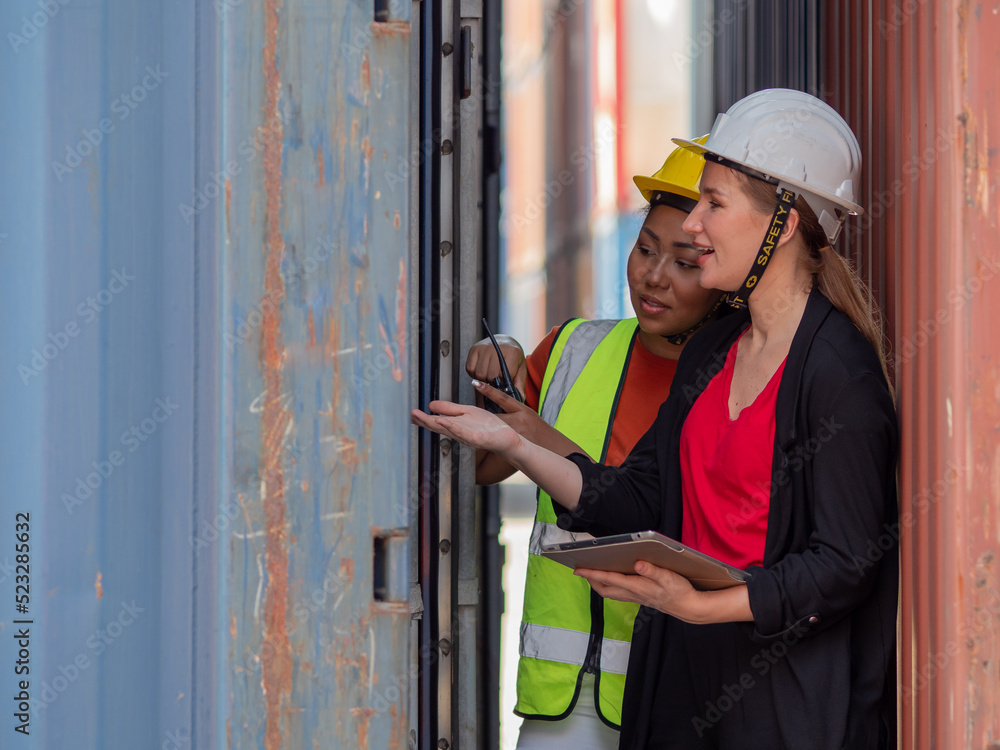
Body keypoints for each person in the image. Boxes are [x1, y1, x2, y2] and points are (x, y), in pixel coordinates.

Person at [413, 89, 898, 749]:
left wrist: (700, 605)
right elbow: (643, 493)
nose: (693, 225)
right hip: (677, 690)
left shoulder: (838, 374)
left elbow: (843, 565)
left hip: (780, 709)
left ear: (782, 224)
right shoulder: (711, 352)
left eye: (714, 204)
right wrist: (515, 443)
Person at [465, 141, 724, 750]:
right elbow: (480, 467)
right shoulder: (574, 348)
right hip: (566, 702)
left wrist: (533, 436)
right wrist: (498, 362)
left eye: (684, 261)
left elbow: (639, 504)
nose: (653, 275)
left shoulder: (734, 379)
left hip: (678, 692)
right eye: (645, 249)